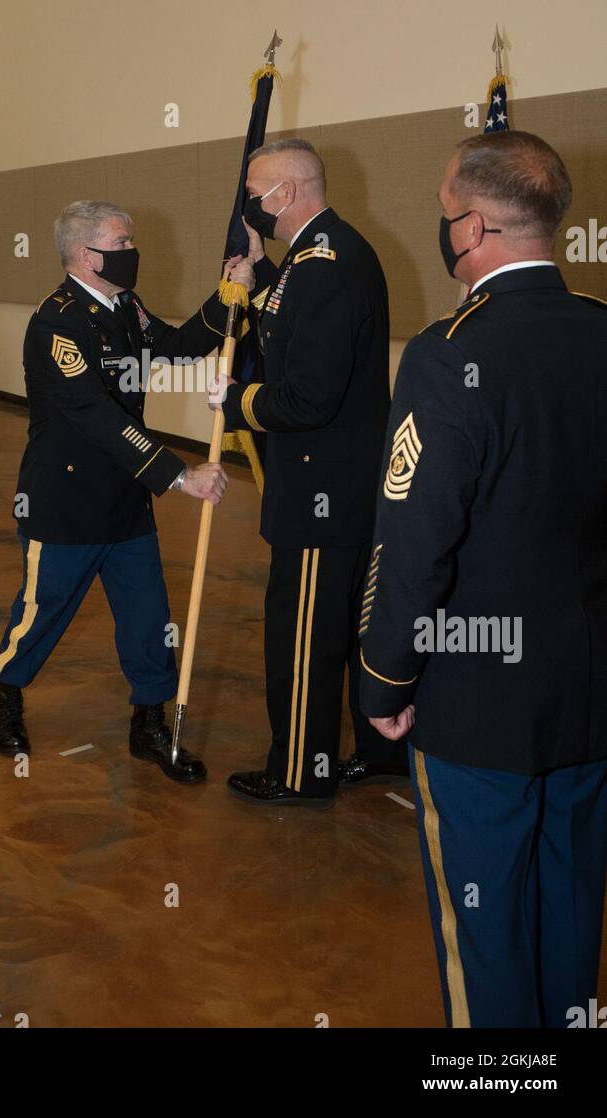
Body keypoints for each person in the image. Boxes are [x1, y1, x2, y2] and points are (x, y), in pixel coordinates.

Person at [360, 130, 607, 1028]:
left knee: (485, 925)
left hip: (476, 697)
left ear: (470, 228)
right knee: (571, 902)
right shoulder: (598, 332)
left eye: (441, 211)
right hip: (587, 690)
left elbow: (414, 535)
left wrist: (387, 673)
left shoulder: (445, 352)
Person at [0, 199, 257, 783]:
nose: (133, 252)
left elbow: (181, 345)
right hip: (65, 500)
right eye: (122, 243)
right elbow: (94, 415)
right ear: (86, 256)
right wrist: (179, 474)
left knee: (148, 617)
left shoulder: (126, 306)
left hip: (126, 499)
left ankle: (149, 721)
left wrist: (227, 297)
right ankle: (8, 694)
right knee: (41, 613)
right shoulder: (57, 321)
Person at [209, 138, 406, 805]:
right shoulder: (318, 253)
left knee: (304, 635)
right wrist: (261, 276)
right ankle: (381, 753)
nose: (248, 205)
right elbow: (294, 329)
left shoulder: (324, 264)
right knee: (352, 625)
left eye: (254, 191)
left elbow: (306, 398)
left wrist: (234, 401)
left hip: (322, 485)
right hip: (340, 479)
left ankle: (299, 769)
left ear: (287, 192)